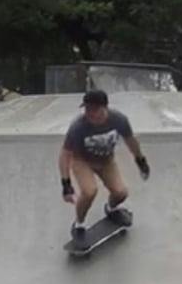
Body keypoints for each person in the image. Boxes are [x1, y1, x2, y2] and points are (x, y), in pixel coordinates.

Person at [60, 90, 151, 247]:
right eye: (87, 109)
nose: (89, 114)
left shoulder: (119, 120)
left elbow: (131, 140)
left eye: (94, 110)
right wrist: (66, 184)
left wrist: (140, 160)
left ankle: (111, 208)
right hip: (82, 162)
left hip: (106, 161)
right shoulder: (78, 126)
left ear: (105, 108)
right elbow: (64, 154)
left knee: (121, 193)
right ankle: (78, 225)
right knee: (89, 191)